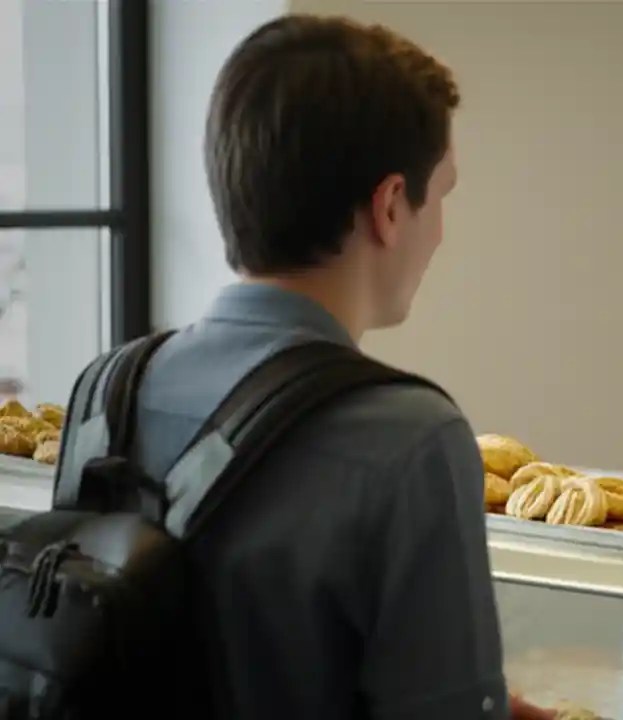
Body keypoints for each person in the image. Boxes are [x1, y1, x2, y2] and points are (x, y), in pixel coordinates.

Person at [122, 14, 552, 720]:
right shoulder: (412, 437)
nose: (439, 228)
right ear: (389, 206)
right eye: (441, 195)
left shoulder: (111, 390)